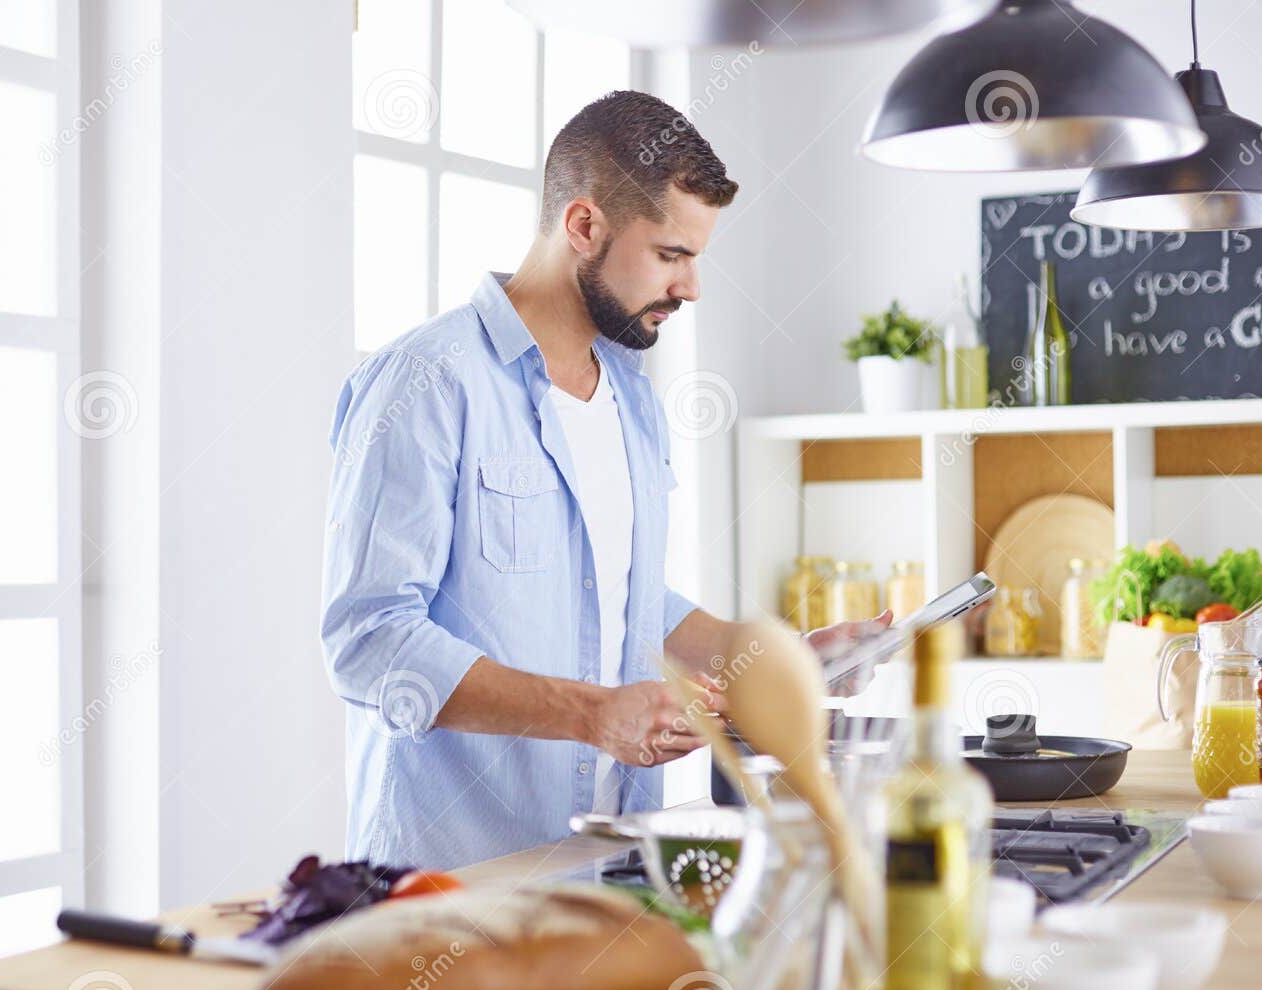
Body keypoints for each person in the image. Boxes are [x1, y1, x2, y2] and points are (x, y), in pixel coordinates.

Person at [322, 90, 888, 869]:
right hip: (448, 883)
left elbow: (620, 600)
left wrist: (776, 661)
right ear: (585, 226)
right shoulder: (425, 383)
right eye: (670, 254)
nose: (691, 287)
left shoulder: (631, 396)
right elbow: (370, 640)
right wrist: (592, 715)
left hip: (608, 865)